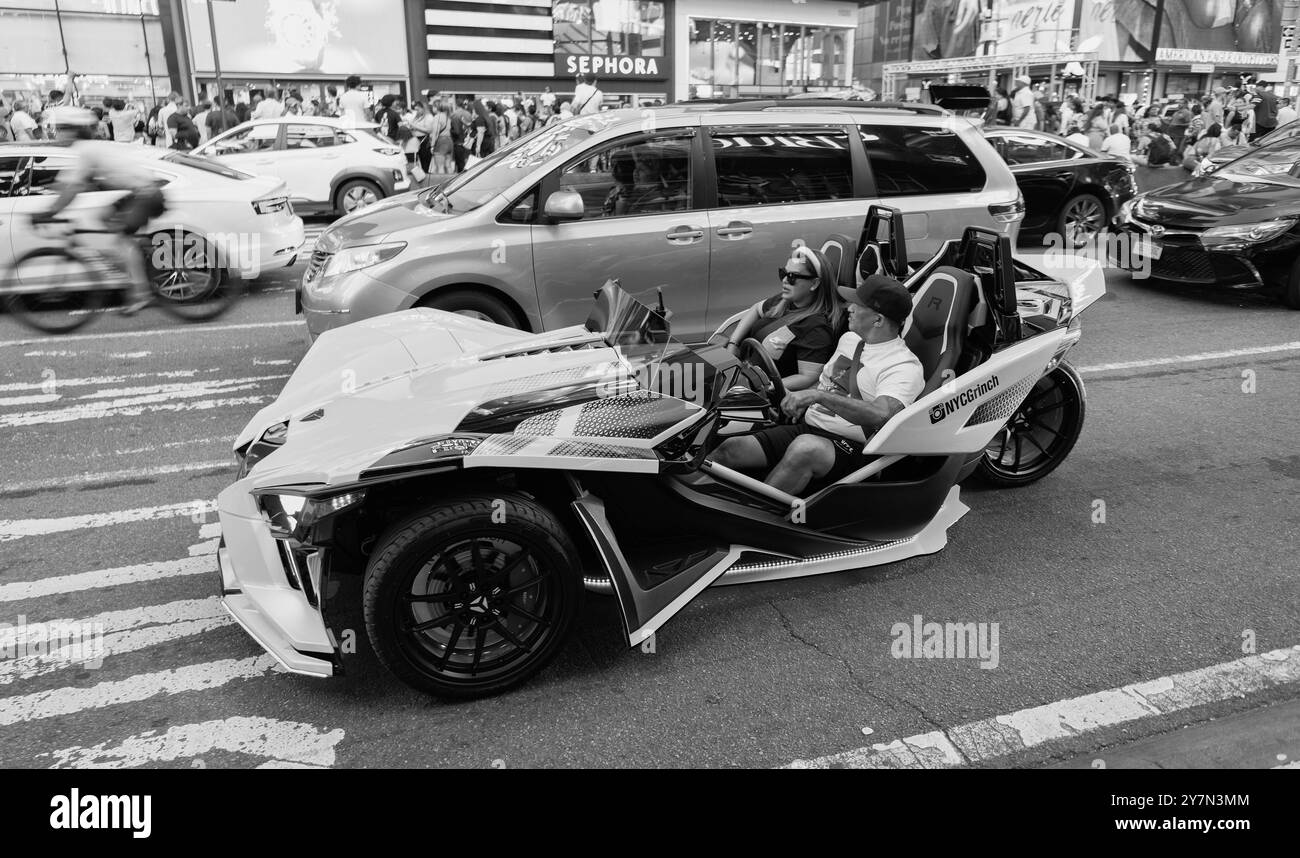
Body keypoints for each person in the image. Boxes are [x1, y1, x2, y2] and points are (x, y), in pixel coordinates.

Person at [709, 274, 923, 494]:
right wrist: (794, 398)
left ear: (877, 320)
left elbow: (881, 414)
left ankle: (751, 518)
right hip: (810, 425)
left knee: (805, 448)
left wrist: (817, 397)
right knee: (730, 448)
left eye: (857, 305)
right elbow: (825, 385)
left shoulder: (904, 366)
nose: (849, 308)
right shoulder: (850, 340)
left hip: (853, 449)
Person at [32, 107, 167, 316]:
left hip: (147, 194)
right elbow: (70, 184)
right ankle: (140, 257)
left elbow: (73, 188)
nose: (58, 134)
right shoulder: (88, 148)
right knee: (102, 216)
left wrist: (49, 212)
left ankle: (142, 293)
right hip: (142, 192)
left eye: (61, 129)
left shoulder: (84, 150)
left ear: (73, 131)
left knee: (121, 238)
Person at [722, 246, 842, 392]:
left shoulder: (816, 327)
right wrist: (733, 344)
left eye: (792, 277)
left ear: (815, 283)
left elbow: (808, 377)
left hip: (758, 394)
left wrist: (765, 387)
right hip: (740, 372)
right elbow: (755, 309)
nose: (785, 280)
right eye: (783, 273)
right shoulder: (787, 300)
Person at [429, 100, 453, 176]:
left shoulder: (437, 117)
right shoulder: (448, 117)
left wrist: (432, 145)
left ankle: (441, 186)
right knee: (448, 166)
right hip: (449, 141)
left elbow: (435, 132)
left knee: (440, 167)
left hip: (441, 141)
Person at [450, 98, 472, 172]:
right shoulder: (468, 114)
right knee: (467, 161)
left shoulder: (454, 114)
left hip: (458, 142)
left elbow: (456, 131)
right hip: (468, 142)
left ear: (456, 105)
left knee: (459, 163)